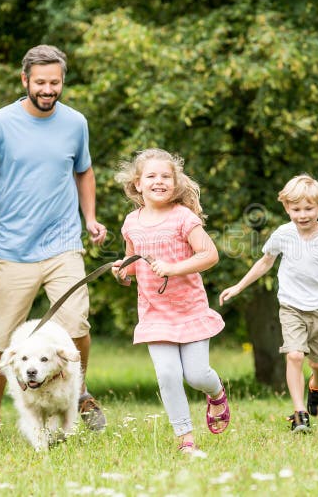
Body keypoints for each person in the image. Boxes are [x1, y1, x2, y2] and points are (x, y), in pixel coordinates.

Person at [0, 44, 108, 441]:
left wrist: (90, 218)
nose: (48, 89)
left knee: (77, 324)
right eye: (40, 82)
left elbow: (85, 170)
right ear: (24, 79)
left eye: (55, 82)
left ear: (63, 81)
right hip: (13, 250)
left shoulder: (76, 122)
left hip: (63, 244)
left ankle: (80, 393)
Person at [111, 148, 230, 454]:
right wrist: (123, 271)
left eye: (166, 176)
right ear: (138, 184)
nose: (159, 181)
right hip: (154, 313)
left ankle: (216, 392)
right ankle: (185, 439)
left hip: (189, 310)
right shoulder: (131, 222)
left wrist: (175, 268)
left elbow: (210, 255)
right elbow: (133, 261)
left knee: (196, 375)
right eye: (151, 176)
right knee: (167, 374)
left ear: (175, 183)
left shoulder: (183, 217)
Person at [219, 175, 318, 432]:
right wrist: (238, 286)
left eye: (309, 209)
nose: (302, 215)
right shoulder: (283, 234)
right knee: (293, 355)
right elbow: (265, 262)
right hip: (291, 305)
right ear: (286, 208)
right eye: (296, 209)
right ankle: (300, 412)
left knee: (317, 363)